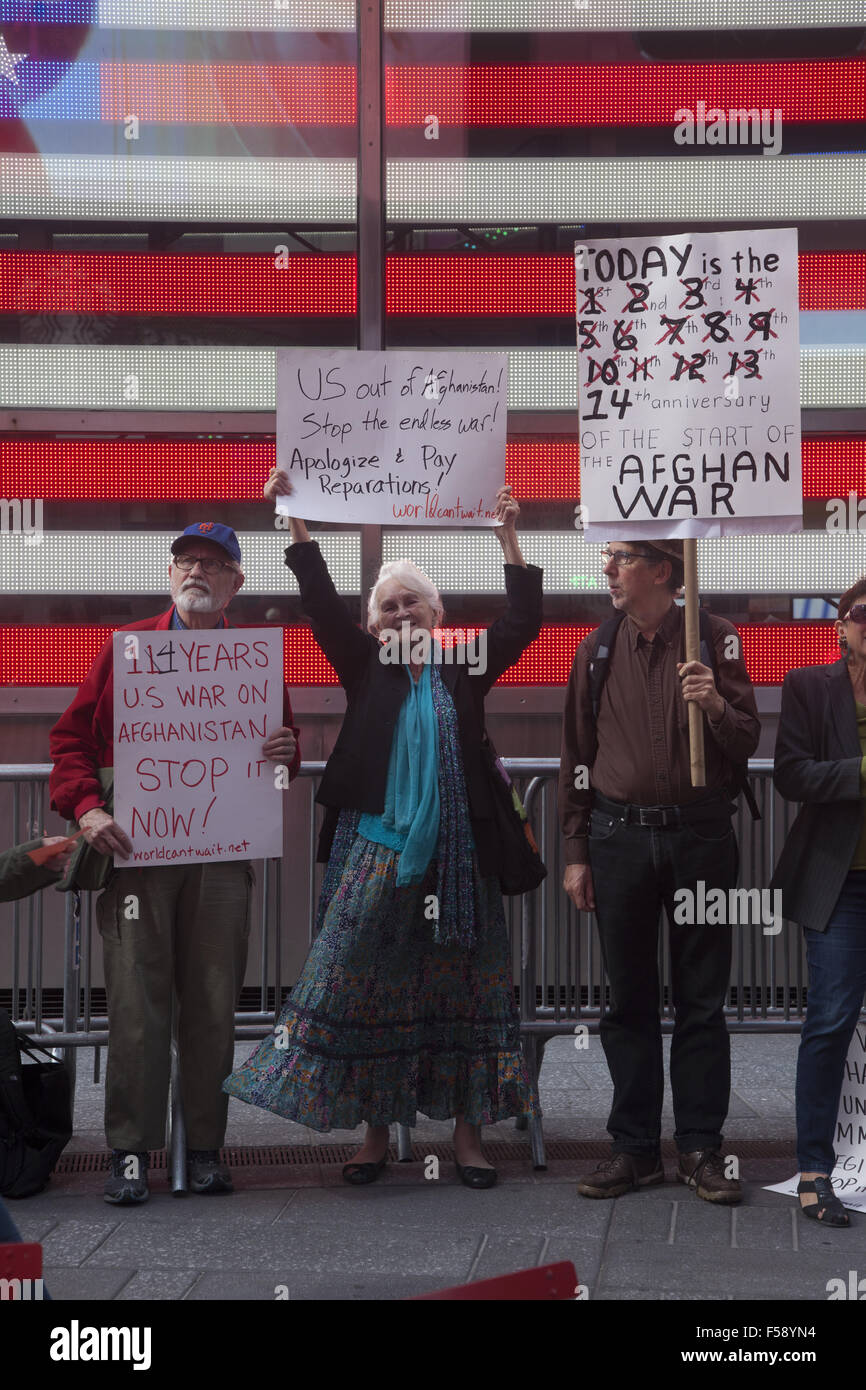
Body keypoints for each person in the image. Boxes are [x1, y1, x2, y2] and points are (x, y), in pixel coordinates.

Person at [223, 474, 542, 1189]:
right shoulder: (363, 665)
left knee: (467, 994)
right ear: (373, 627)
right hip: (375, 852)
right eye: (387, 607)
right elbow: (319, 604)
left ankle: (468, 1142)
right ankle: (372, 1136)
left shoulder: (466, 670)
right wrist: (299, 525)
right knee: (362, 986)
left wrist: (508, 539)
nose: (400, 614)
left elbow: (523, 622)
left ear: (437, 613)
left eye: (411, 604)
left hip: (463, 863)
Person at [48, 523, 301, 1205]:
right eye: (188, 560)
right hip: (136, 856)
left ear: (236, 583)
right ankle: (130, 1152)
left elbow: (278, 763)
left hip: (220, 861)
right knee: (136, 1004)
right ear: (169, 573)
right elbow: (69, 741)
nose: (199, 570)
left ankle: (206, 1149)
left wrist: (288, 754)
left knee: (215, 1007)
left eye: (215, 564)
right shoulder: (125, 649)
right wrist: (87, 809)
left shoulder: (253, 663)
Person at [558, 539, 760, 1203]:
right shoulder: (595, 651)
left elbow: (748, 738)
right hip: (618, 839)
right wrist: (577, 852)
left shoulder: (716, 637)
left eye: (621, 557)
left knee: (702, 999)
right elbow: (576, 758)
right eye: (608, 557)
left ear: (664, 570)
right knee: (627, 1001)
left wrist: (715, 706)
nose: (608, 569)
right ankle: (634, 1150)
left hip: (701, 834)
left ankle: (701, 1148)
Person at [770, 578, 866, 1227]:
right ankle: (814, 1171)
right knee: (830, 1020)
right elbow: (792, 774)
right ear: (840, 625)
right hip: (841, 881)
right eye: (864, 614)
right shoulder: (809, 685)